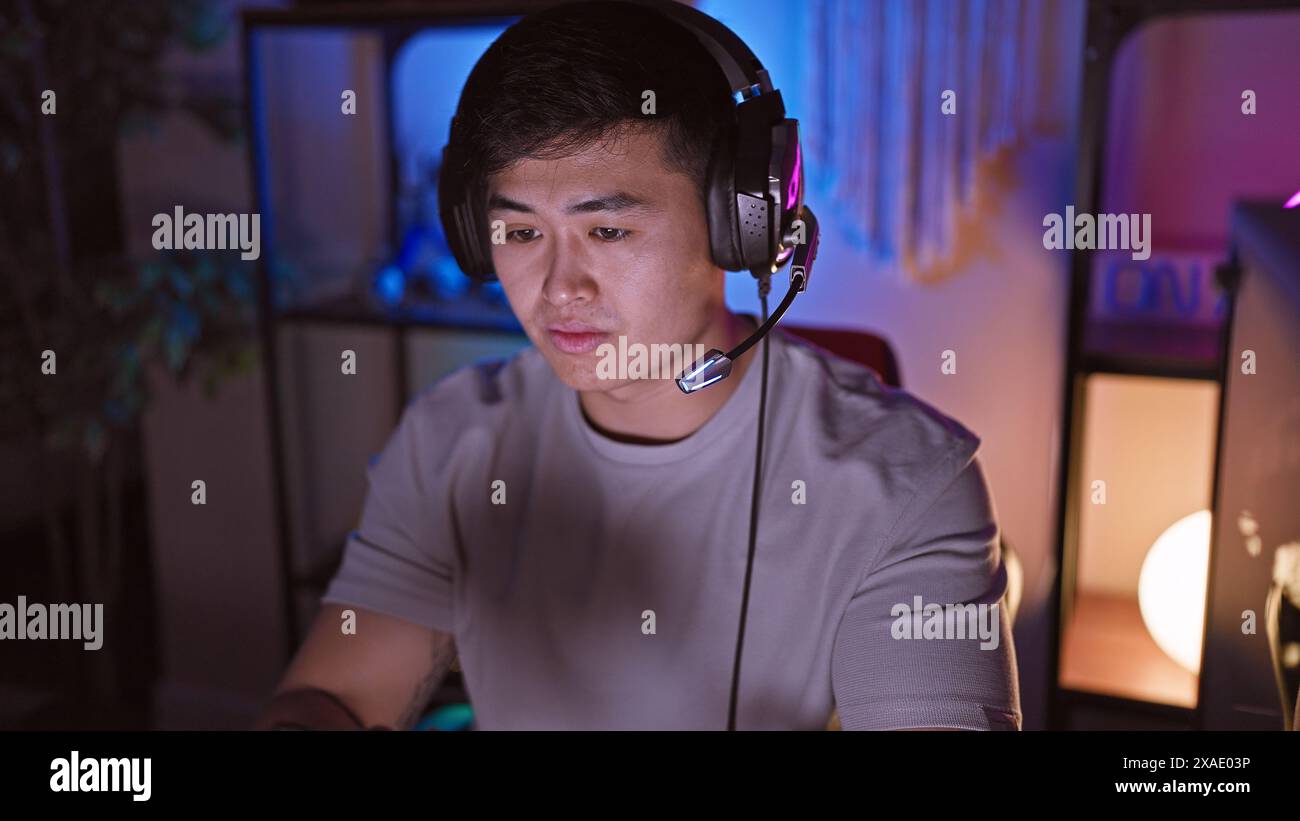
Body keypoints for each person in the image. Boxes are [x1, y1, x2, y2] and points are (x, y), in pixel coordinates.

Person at [255, 0, 1021, 731]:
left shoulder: (910, 483)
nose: (560, 288)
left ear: (740, 224)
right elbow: (337, 692)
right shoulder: (451, 435)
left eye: (610, 230)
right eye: (520, 234)